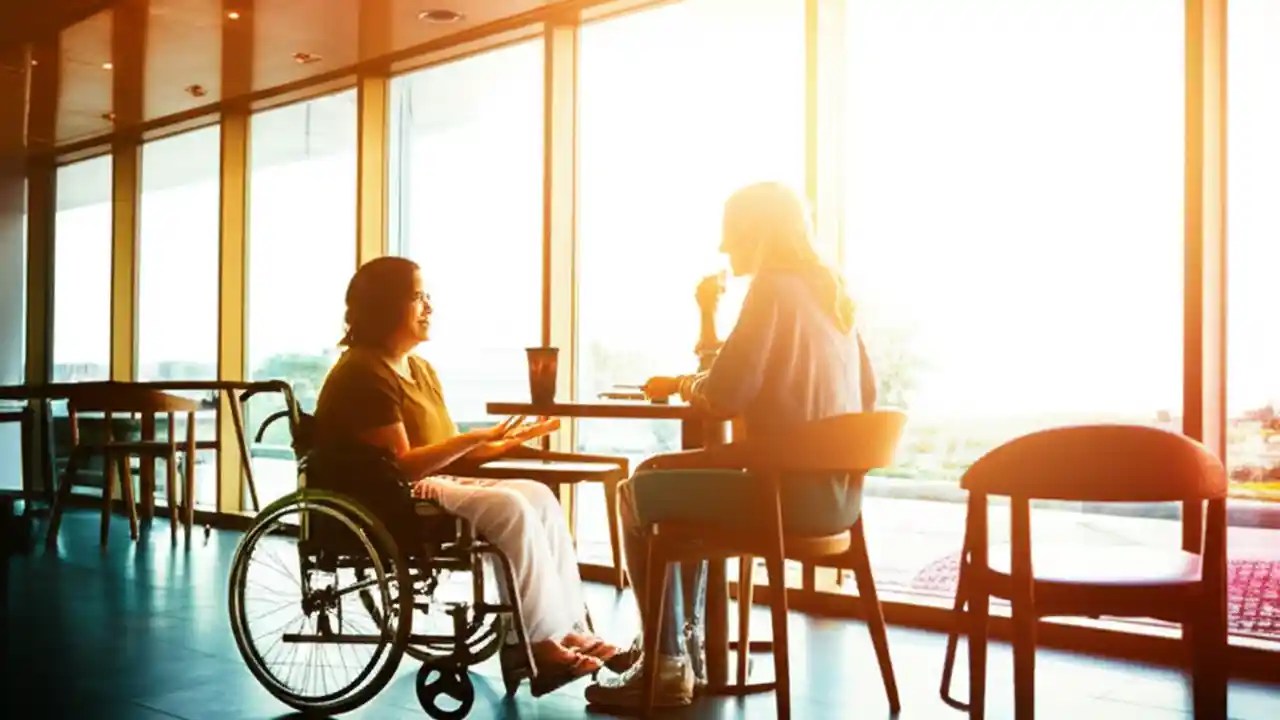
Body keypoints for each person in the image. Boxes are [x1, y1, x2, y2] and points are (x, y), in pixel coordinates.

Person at [584, 181, 879, 709]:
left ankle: (666, 663)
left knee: (636, 492)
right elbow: (869, 394)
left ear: (758, 230)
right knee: (659, 480)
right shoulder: (835, 296)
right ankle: (682, 650)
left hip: (780, 497)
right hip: (838, 500)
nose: (724, 247)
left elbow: (722, 393)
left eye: (730, 232)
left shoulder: (773, 286)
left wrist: (679, 384)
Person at [312, 256, 622, 683]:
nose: (429, 307)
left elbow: (445, 452)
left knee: (539, 496)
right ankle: (534, 644)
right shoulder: (362, 373)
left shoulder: (419, 369)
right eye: (418, 297)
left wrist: (501, 442)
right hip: (393, 494)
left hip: (433, 482)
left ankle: (568, 629)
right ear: (385, 305)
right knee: (510, 507)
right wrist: (473, 438)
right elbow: (400, 467)